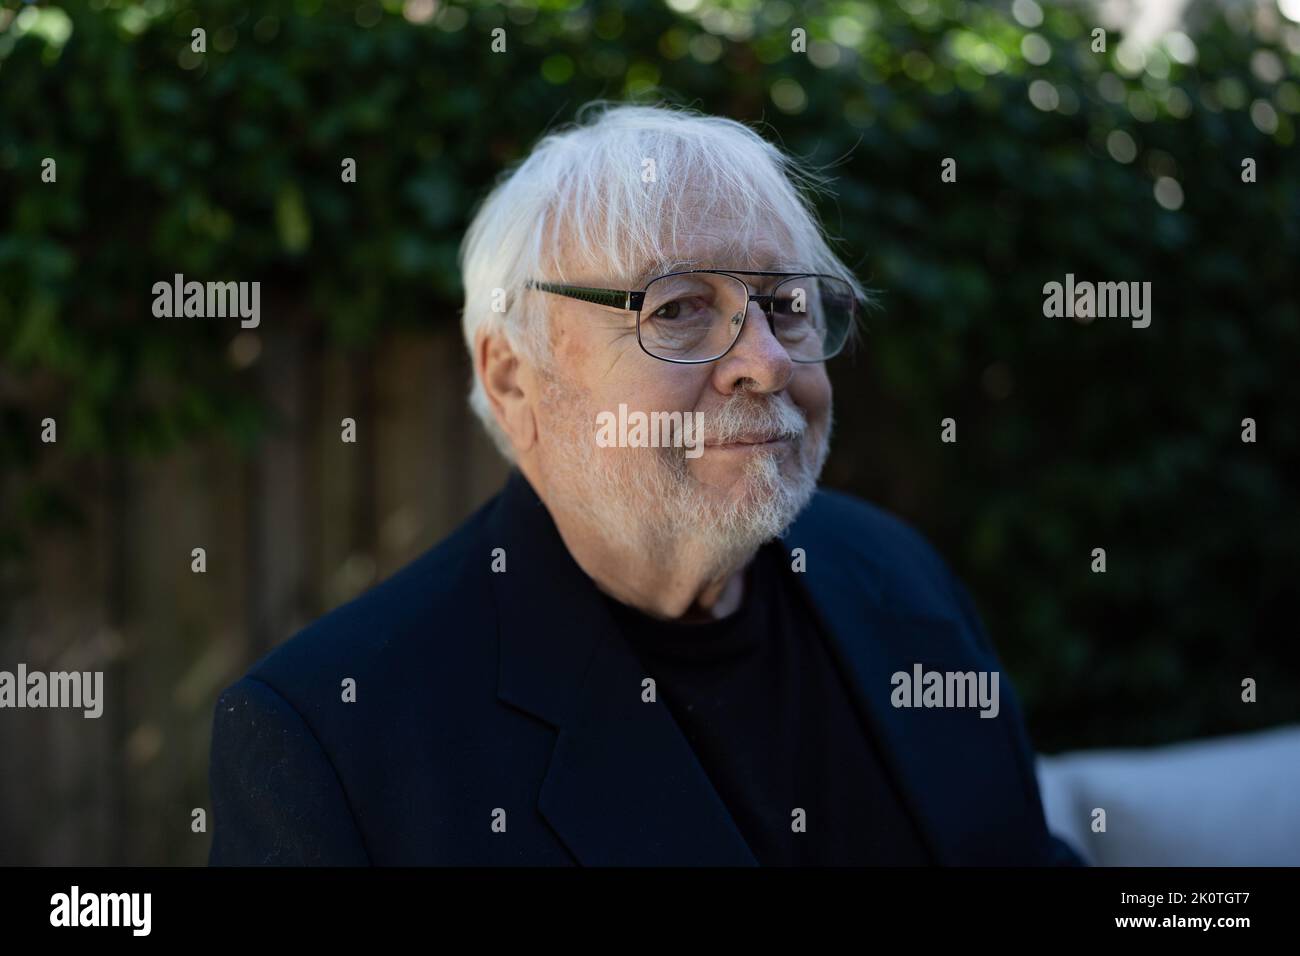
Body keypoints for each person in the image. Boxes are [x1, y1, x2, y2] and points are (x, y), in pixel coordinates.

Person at [208, 102, 1082, 866]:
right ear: (513, 376)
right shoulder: (338, 738)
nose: (768, 367)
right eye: (677, 309)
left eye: (786, 304)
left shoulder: (899, 578)